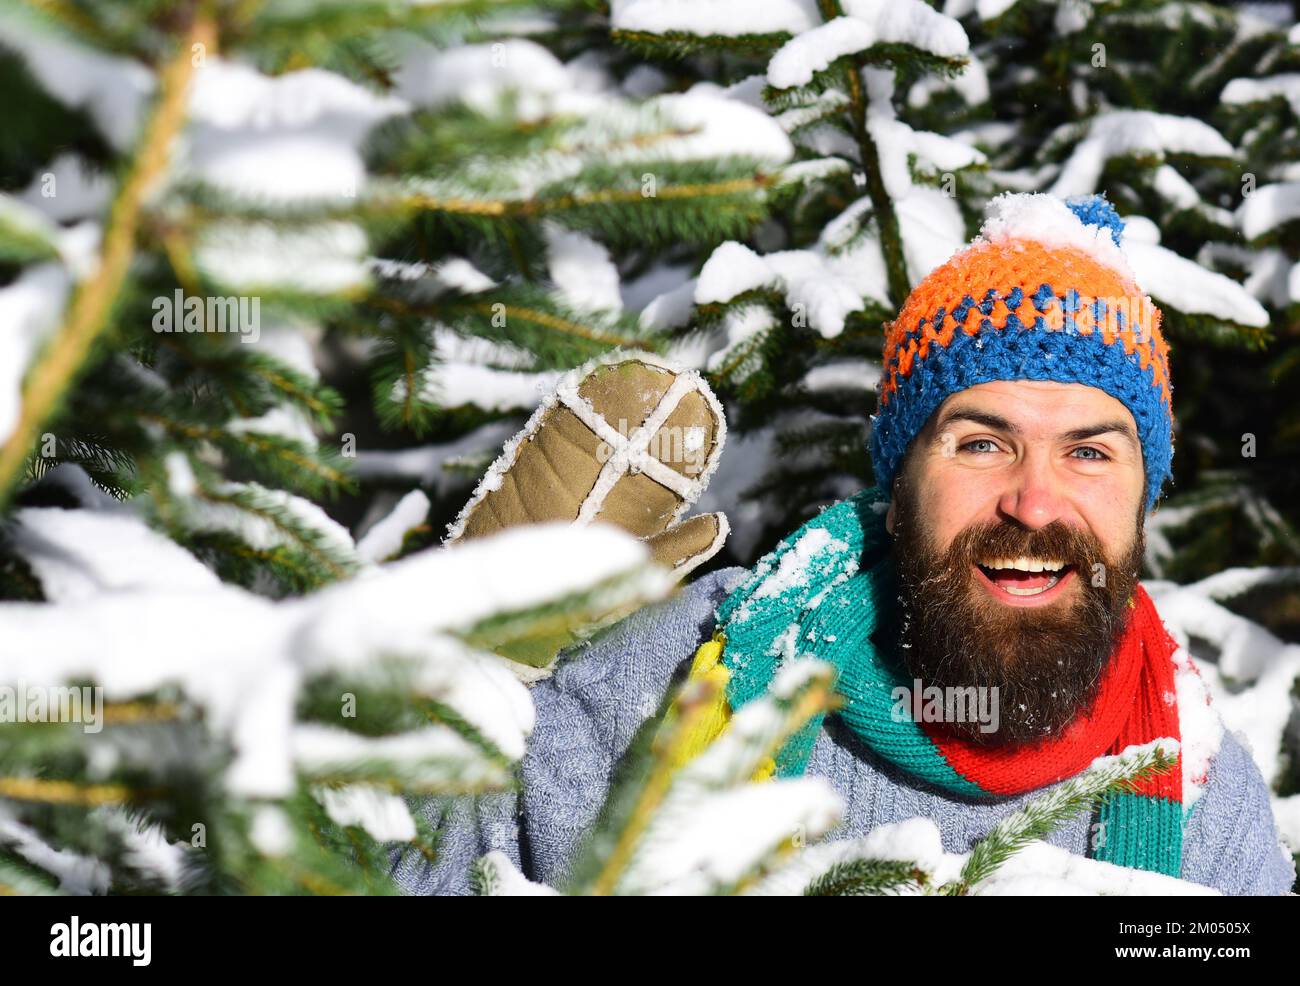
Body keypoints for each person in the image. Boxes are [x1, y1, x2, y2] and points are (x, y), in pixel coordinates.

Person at [391, 192, 1296, 895]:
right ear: (898, 490)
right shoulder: (686, 671)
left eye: (1091, 452)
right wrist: (459, 684)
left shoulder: (1200, 790)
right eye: (981, 442)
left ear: (1145, 499)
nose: (1034, 501)